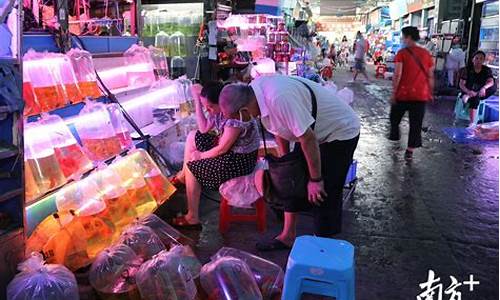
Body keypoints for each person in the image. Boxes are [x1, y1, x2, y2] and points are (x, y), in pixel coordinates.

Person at [218, 75, 360, 251]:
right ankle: (288, 236)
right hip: (309, 131)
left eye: (236, 118)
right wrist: (287, 164)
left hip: (338, 131)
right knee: (289, 180)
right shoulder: (253, 94)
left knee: (323, 193)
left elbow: (308, 138)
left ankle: (322, 248)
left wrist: (315, 179)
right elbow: (278, 126)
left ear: (243, 111)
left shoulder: (278, 98)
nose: (237, 122)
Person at [171, 82, 260, 229]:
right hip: (229, 151)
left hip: (239, 161)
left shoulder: (235, 118)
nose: (208, 110)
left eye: (210, 107)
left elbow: (222, 149)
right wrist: (198, 100)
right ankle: (183, 176)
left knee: (192, 166)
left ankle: (192, 216)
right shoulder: (219, 111)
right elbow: (204, 128)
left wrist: (200, 156)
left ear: (222, 103)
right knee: (194, 136)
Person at [389, 26, 434, 161]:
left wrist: (393, 92)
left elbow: (397, 74)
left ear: (408, 37)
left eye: (403, 36)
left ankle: (395, 137)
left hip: (403, 94)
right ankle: (410, 150)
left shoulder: (402, 53)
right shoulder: (426, 54)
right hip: (420, 95)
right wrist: (430, 92)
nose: (402, 39)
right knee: (416, 124)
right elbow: (430, 75)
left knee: (394, 118)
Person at [459, 50, 496, 126]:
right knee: (475, 99)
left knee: (493, 86)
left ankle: (470, 96)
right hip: (468, 90)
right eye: (477, 58)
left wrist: (484, 88)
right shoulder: (467, 69)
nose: (478, 61)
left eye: (481, 59)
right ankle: (472, 123)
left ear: (484, 61)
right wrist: (468, 92)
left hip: (480, 91)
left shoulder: (486, 70)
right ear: (473, 59)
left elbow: (491, 82)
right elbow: (462, 84)